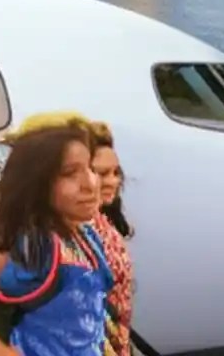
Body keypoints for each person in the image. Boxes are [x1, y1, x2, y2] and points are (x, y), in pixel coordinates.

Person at [0, 119, 112, 356]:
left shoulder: (86, 238)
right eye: (69, 173)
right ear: (39, 184)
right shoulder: (40, 248)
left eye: (90, 168)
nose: (89, 183)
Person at [89, 121, 134, 356]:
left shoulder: (105, 224)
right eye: (102, 173)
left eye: (116, 173)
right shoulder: (75, 231)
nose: (113, 181)